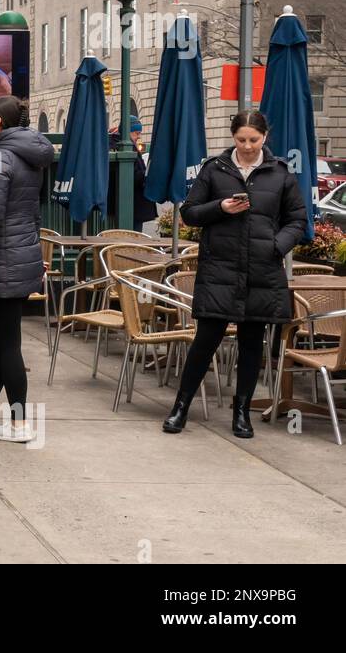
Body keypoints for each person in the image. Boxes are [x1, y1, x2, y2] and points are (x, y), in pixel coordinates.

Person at [162, 111, 307, 438]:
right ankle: (181, 407)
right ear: (232, 137)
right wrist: (220, 208)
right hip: (220, 269)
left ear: (264, 137)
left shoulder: (280, 173)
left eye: (253, 140)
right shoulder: (215, 169)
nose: (247, 146)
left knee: (252, 343)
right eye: (241, 140)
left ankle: (242, 412)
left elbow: (297, 220)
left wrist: (276, 246)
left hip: (262, 269)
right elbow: (189, 213)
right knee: (206, 339)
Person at [0, 96, 54, 442]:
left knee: (7, 344)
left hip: (2, 255)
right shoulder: (29, 157)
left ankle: (19, 422)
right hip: (22, 252)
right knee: (2, 336)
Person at [108, 115, 156, 233]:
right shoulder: (124, 146)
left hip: (131, 204)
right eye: (136, 133)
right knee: (133, 237)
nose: (138, 136)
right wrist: (147, 174)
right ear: (126, 131)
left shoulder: (120, 144)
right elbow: (131, 176)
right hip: (131, 204)